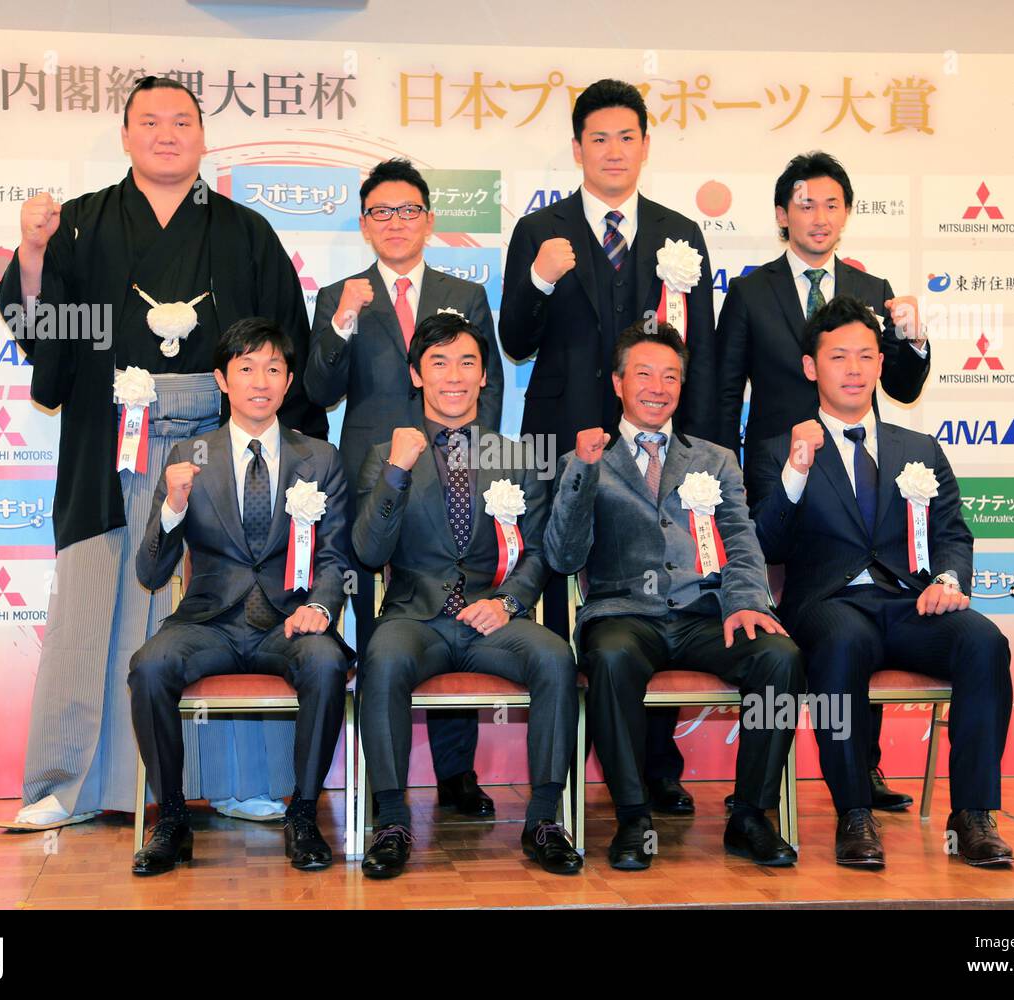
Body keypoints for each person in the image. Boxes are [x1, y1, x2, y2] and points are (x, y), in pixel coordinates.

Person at [0, 76, 327, 832]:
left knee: (235, 602)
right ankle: (71, 783)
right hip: (112, 438)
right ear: (126, 135)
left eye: (182, 121)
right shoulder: (78, 226)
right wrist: (34, 251)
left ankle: (241, 782)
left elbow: (286, 352)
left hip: (224, 439)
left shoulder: (246, 233)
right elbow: (43, 329)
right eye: (150, 121)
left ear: (203, 137)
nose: (167, 133)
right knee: (94, 603)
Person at [499, 78, 718, 812]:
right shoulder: (541, 231)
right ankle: (557, 776)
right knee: (561, 595)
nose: (614, 150)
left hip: (658, 451)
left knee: (653, 593)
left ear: (647, 146)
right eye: (599, 137)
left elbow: (704, 357)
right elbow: (514, 339)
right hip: (562, 441)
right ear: (576, 148)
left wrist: (707, 459)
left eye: (628, 137)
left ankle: (654, 763)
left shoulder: (682, 234)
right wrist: (537, 278)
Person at [747, 296, 1014, 869]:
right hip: (828, 605)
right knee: (843, 644)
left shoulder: (919, 449)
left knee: (984, 642)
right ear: (810, 367)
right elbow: (764, 545)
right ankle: (855, 813)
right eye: (838, 356)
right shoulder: (777, 450)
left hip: (910, 603)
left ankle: (972, 814)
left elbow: (952, 533)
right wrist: (796, 471)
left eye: (866, 356)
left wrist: (947, 578)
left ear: (879, 365)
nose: (854, 369)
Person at [715, 151, 932, 811]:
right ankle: (759, 782)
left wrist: (914, 342)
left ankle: (861, 771)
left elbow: (902, 386)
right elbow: (724, 394)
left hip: (858, 488)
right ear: (782, 215)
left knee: (858, 608)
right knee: (780, 634)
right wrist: (727, 484)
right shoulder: (751, 292)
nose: (819, 216)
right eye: (805, 203)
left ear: (847, 213)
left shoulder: (873, 291)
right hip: (779, 481)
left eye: (832, 203)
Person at [544, 320, 804, 869]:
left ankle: (751, 817)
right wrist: (583, 475)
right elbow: (565, 557)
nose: (657, 387)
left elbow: (741, 540)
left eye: (670, 376)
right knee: (611, 658)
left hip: (705, 614)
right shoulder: (585, 459)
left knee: (779, 658)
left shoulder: (715, 460)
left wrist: (746, 602)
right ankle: (634, 818)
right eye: (643, 374)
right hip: (624, 615)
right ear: (618, 383)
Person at [304, 158, 503, 818]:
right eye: (382, 212)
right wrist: (339, 325)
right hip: (372, 475)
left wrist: (477, 461)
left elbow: (490, 383)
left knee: (452, 600)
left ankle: (455, 776)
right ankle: (380, 781)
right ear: (365, 224)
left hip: (453, 476)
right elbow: (317, 392)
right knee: (377, 626)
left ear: (429, 219)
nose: (396, 223)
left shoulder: (463, 293)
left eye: (408, 210)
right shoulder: (340, 294)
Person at [352, 314, 580, 879]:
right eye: (438, 362)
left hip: (492, 619)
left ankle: (545, 819)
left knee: (555, 657)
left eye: (468, 362)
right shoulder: (386, 454)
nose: (453, 376)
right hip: (415, 618)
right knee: (381, 659)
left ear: (484, 378)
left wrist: (508, 601)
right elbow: (367, 549)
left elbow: (539, 552)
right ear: (416, 374)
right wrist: (397, 475)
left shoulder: (519, 456)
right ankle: (392, 819)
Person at [129, 318, 352, 875]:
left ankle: (302, 814)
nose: (260, 380)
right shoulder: (190, 454)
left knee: (326, 665)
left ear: (289, 379)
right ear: (222, 380)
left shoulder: (320, 458)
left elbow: (334, 556)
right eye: (246, 368)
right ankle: (173, 818)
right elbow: (152, 571)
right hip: (209, 622)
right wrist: (172, 508)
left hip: (288, 623)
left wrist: (320, 608)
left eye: (273, 368)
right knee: (150, 667)